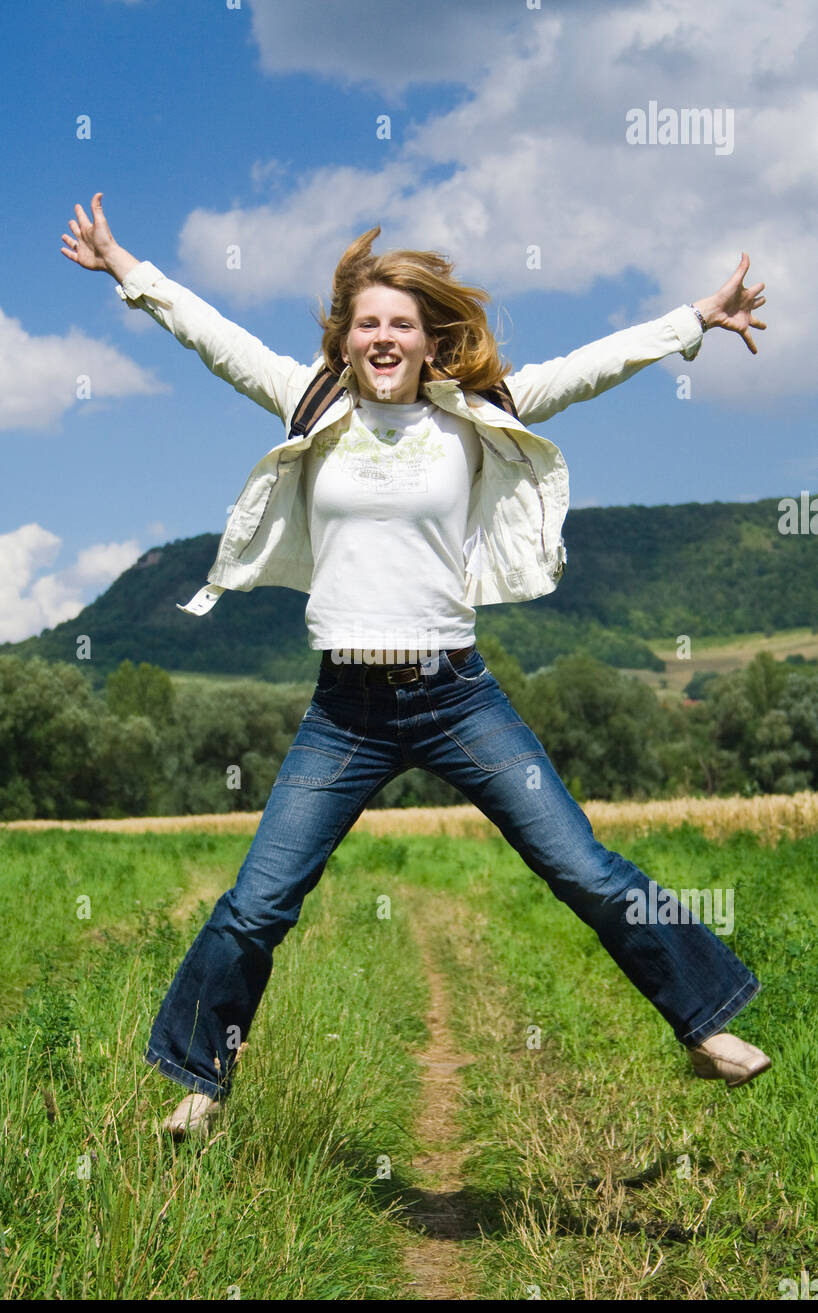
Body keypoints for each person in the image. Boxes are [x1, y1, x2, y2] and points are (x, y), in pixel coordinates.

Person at [61, 193, 771, 1138]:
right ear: (344, 340)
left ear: (432, 340)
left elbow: (589, 367)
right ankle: (200, 1080)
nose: (384, 337)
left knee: (585, 867)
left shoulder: (474, 414)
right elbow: (216, 338)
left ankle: (701, 1023)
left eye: (402, 323)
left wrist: (693, 322)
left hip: (454, 694)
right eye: (368, 324)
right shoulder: (310, 400)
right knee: (256, 904)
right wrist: (128, 271)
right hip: (343, 708)